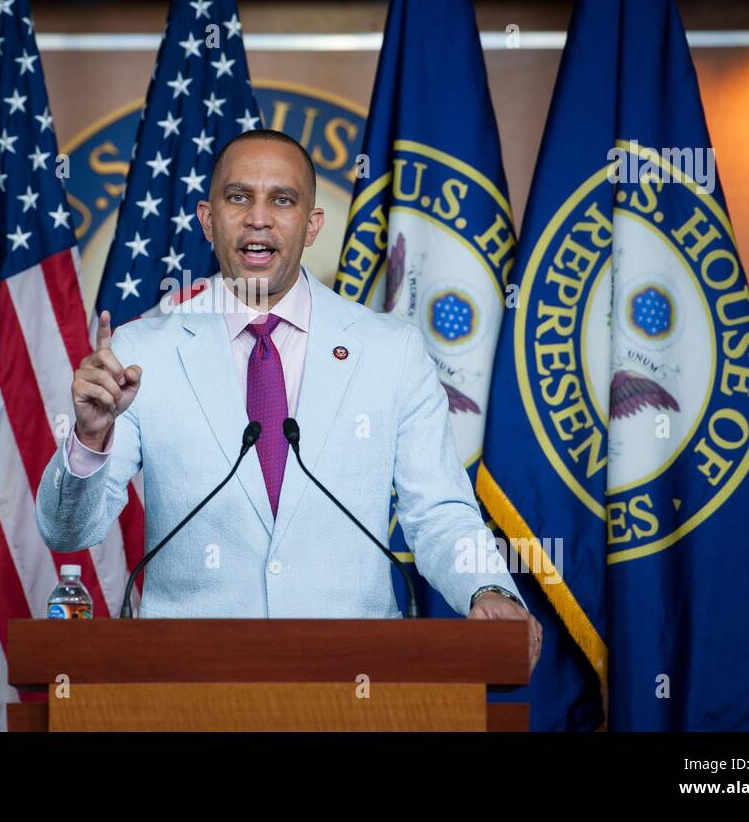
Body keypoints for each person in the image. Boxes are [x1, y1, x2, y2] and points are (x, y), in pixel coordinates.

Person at [36, 129, 541, 673]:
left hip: (356, 680)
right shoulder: (142, 352)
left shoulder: (390, 351)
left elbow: (438, 512)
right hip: (188, 680)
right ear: (208, 220)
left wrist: (488, 588)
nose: (259, 217)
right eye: (238, 197)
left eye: (282, 199)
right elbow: (69, 532)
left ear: (311, 224)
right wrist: (89, 439)